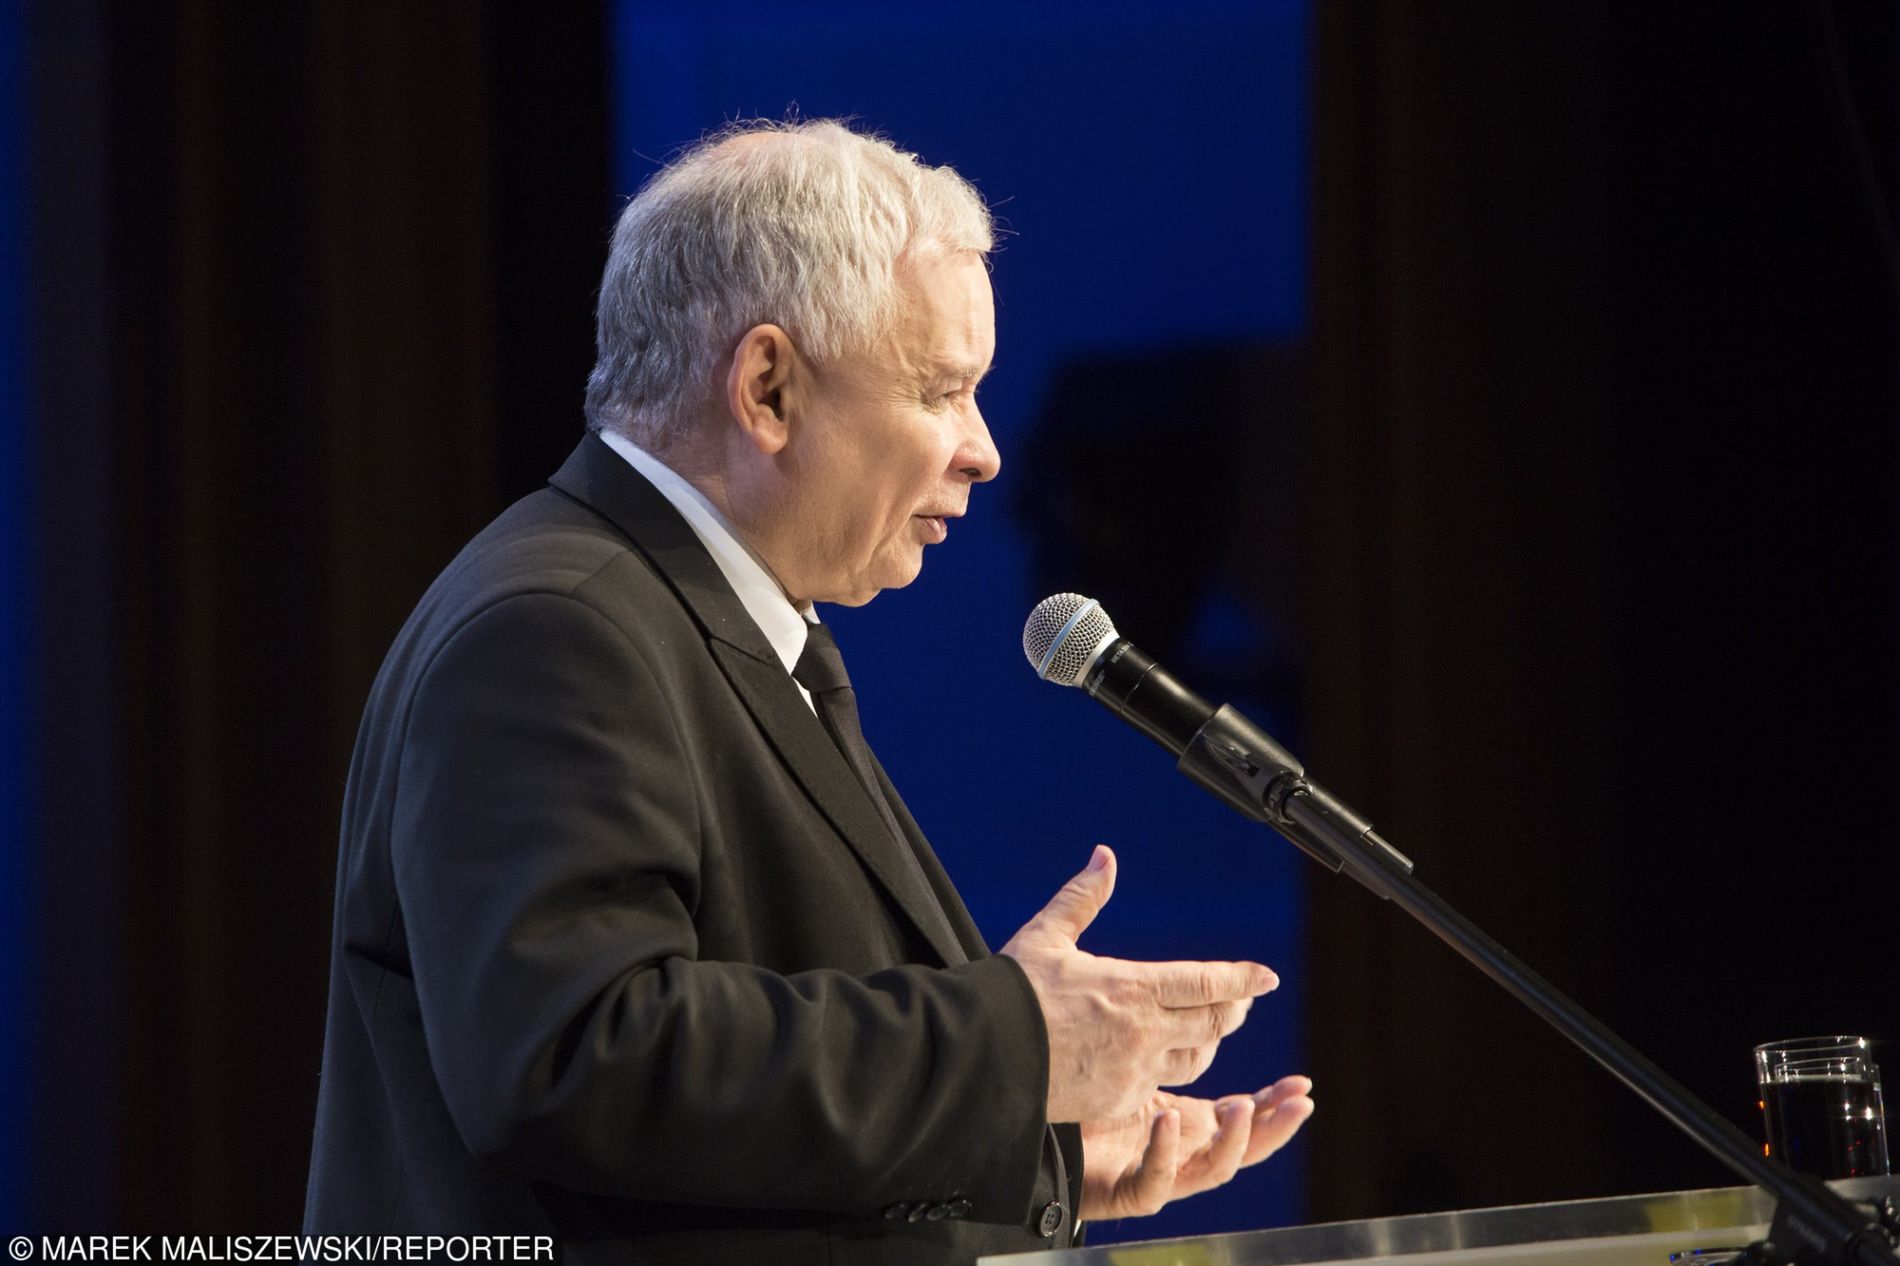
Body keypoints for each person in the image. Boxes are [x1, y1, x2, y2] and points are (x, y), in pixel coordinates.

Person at [303, 118, 1312, 1265]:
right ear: (768, 386)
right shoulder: (559, 628)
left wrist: (1036, 1160)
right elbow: (576, 1058)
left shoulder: (702, 621)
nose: (983, 449)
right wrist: (1013, 1048)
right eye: (941, 389)